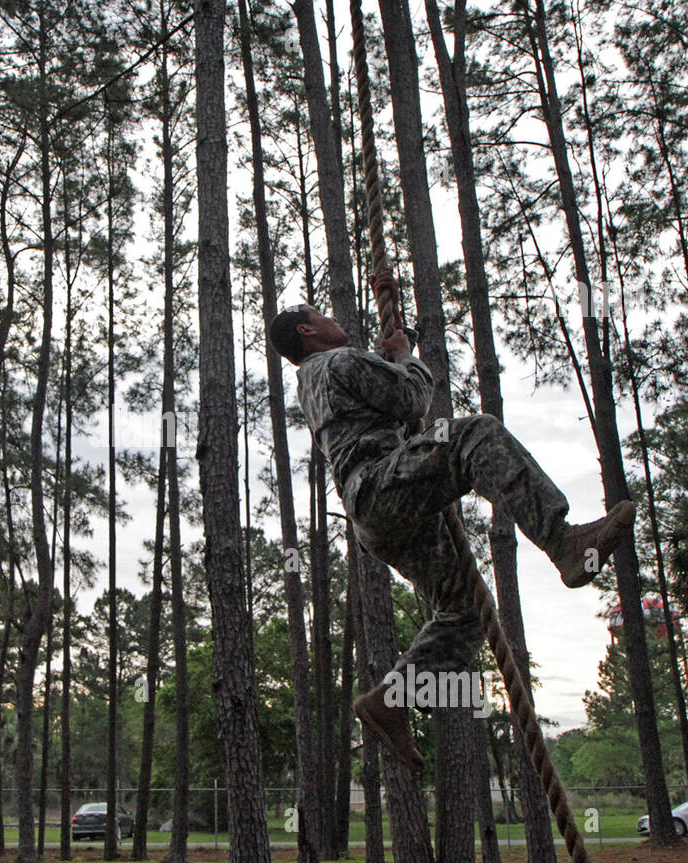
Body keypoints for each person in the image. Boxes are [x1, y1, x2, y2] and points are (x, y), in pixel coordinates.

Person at [268, 270, 634, 772]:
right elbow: (412, 399)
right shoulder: (336, 362)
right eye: (321, 315)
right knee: (475, 433)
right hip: (381, 486)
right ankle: (562, 541)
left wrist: (400, 340)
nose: (332, 319)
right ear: (307, 331)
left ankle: (390, 699)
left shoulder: (317, 378)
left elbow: (389, 388)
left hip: (378, 515)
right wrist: (404, 356)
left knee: (463, 608)